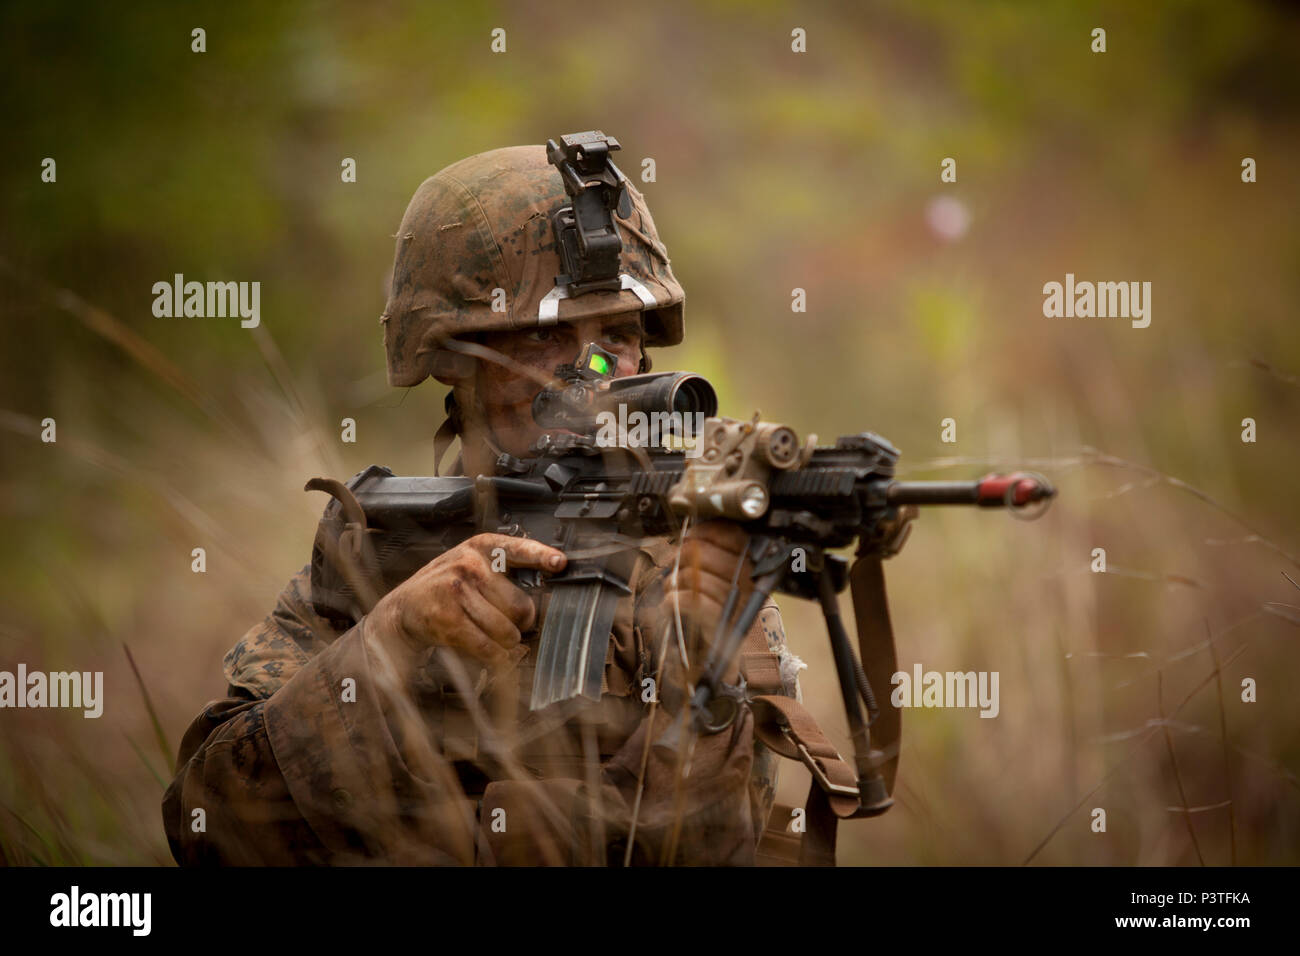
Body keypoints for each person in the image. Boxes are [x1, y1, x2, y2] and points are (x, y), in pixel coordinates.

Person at [162, 133, 804, 866]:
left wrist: (706, 674)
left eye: (617, 339)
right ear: (451, 364)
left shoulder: (685, 569)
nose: (592, 371)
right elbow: (207, 825)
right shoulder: (383, 555)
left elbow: (704, 845)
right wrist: (388, 643)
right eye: (541, 337)